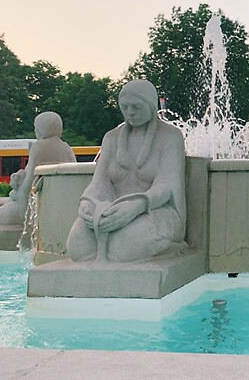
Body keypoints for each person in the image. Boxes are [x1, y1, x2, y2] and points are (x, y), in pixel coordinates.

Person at [66, 79, 187, 263]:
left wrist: (136, 206)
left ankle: (173, 247)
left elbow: (167, 186)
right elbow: (99, 182)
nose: (130, 112)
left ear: (151, 106)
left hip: (155, 209)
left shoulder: (171, 137)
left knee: (126, 248)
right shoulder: (111, 138)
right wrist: (87, 203)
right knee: (77, 246)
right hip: (110, 209)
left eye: (136, 107)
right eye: (125, 107)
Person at [0, 111, 76, 227]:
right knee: (8, 202)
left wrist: (22, 205)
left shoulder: (38, 147)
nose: (35, 131)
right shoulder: (66, 148)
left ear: (41, 129)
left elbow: (29, 181)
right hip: (59, 205)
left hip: (37, 205)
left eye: (36, 128)